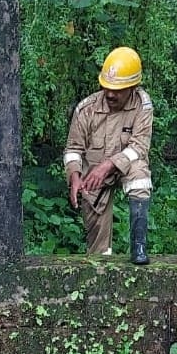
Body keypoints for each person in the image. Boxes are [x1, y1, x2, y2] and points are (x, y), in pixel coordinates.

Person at [63, 46, 153, 265]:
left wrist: (109, 165)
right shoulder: (86, 109)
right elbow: (73, 149)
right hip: (92, 175)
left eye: (118, 89)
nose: (111, 94)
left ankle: (139, 248)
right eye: (107, 87)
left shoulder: (143, 105)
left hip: (124, 167)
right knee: (97, 252)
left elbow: (140, 146)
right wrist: (75, 177)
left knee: (139, 173)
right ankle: (100, 274)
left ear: (133, 87)